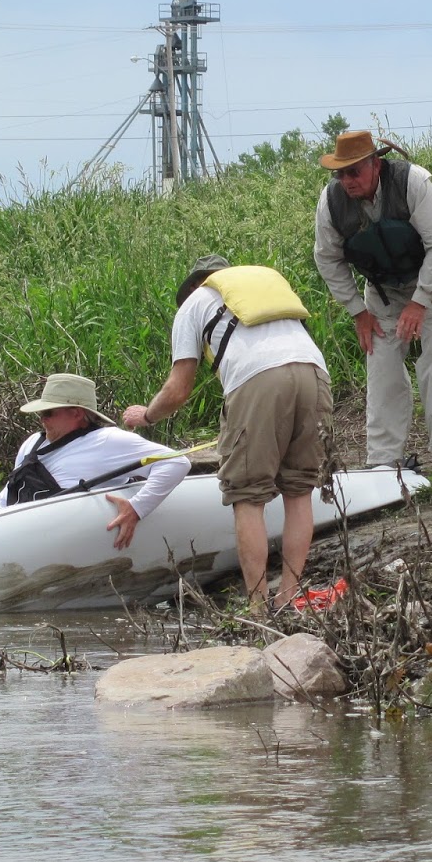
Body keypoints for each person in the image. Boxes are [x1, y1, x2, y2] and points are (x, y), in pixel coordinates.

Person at [123, 255, 331, 611]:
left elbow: (178, 389)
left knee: (247, 496)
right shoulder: (264, 288)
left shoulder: (193, 304)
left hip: (258, 381)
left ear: (195, 285)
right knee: (299, 491)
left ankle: (258, 609)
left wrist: (147, 415)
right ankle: (288, 598)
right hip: (315, 374)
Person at [313, 129, 432, 470]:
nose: (347, 180)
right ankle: (384, 460)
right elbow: (327, 258)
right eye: (341, 173)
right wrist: (357, 312)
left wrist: (420, 301)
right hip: (383, 293)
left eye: (354, 171)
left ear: (375, 166)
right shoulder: (332, 203)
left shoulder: (414, 184)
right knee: (381, 365)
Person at [0, 372, 191, 550]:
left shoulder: (107, 440)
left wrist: (136, 508)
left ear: (77, 413)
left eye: (48, 413)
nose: (42, 419)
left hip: (61, 544)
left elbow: (175, 463)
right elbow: (10, 491)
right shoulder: (32, 444)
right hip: (17, 537)